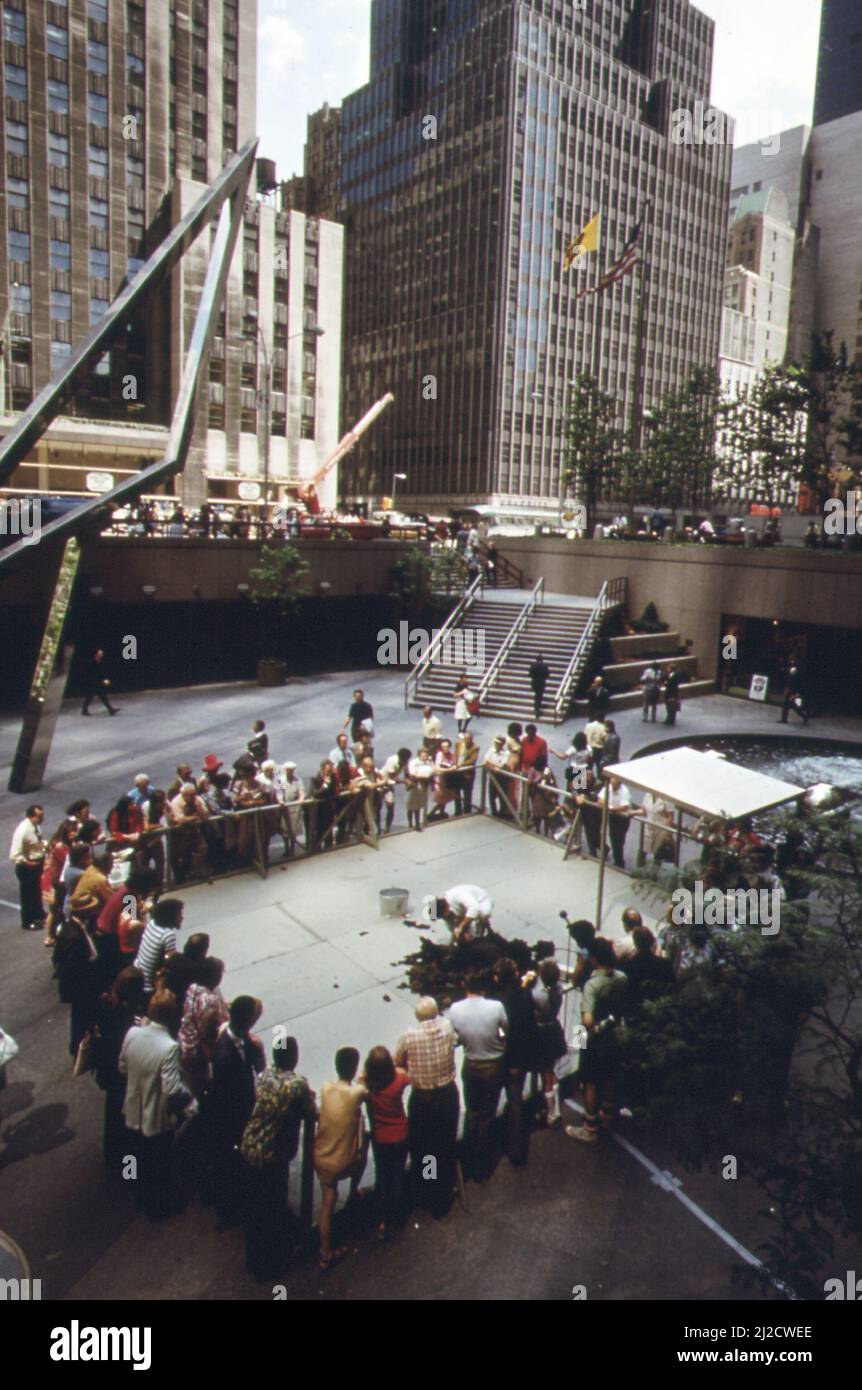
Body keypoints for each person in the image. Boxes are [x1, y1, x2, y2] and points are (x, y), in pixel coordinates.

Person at [240, 1034, 315, 1281]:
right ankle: (269, 1264)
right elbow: (310, 1110)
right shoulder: (296, 1084)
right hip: (272, 1155)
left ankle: (252, 1258)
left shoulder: (265, 1076)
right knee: (272, 1208)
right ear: (294, 1057)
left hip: (250, 1146)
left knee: (254, 1207)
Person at [120, 990, 194, 1218]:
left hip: (133, 1109)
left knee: (133, 1158)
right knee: (158, 1165)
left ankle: (136, 1192)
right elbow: (172, 1089)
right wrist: (189, 1098)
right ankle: (157, 1207)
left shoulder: (132, 1033)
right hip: (155, 1116)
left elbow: (122, 1067)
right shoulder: (169, 1047)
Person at [394, 998, 459, 1218]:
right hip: (447, 1095)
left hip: (423, 1099)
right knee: (444, 1144)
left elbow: (398, 1062)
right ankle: (442, 1190)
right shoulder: (448, 1027)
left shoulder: (409, 1036)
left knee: (425, 1148)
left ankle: (429, 1193)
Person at [204, 995, 266, 1227]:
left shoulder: (238, 1039)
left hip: (234, 1107)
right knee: (228, 1160)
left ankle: (227, 1201)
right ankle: (226, 1210)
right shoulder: (225, 1055)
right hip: (230, 1112)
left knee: (230, 1159)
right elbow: (230, 1089)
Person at [565, 938, 628, 1144]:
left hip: (594, 1038)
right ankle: (607, 1115)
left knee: (589, 1080)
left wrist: (579, 1040)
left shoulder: (592, 985)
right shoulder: (621, 977)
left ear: (593, 959)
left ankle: (590, 1127)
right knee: (610, 1075)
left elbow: (586, 1020)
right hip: (616, 1034)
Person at [313, 1047, 368, 1272]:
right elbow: (365, 1091)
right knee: (362, 1147)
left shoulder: (325, 1088)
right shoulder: (356, 1093)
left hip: (321, 1158)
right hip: (344, 1162)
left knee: (328, 1200)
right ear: (354, 1068)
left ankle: (325, 1253)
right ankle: (354, 1188)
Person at [449, 972, 508, 1181]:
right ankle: (483, 1163)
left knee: (472, 1112)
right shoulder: (496, 1007)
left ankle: (469, 1157)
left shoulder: (455, 1010)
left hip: (471, 1065)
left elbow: (453, 1037)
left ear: (465, 984)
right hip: (492, 1066)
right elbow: (506, 1031)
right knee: (487, 1114)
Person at [93, 965, 146, 1169]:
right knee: (127, 1118)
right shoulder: (128, 1015)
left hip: (108, 1067)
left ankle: (113, 1156)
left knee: (113, 1113)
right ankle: (128, 1169)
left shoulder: (105, 1001)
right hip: (123, 1071)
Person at [493, 957, 538, 1167]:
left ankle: (489, 1151)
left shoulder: (496, 1003)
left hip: (500, 1058)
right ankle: (517, 1149)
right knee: (515, 1100)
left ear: (496, 979)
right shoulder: (526, 995)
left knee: (491, 1104)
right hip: (520, 1056)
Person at [362, 1045, 410, 1240]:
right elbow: (405, 1074)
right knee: (398, 1175)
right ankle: (398, 1215)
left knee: (383, 1178)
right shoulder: (398, 1081)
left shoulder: (368, 1088)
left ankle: (382, 1219)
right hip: (400, 1134)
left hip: (381, 1138)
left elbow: (361, 1077)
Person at [178, 956, 229, 1098]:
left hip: (184, 1041)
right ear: (214, 977)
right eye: (220, 974)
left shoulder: (193, 987)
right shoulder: (210, 1001)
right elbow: (208, 1032)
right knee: (201, 1089)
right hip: (196, 1052)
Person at [529, 959, 567, 1125]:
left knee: (545, 1073)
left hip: (541, 1033)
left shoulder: (537, 995)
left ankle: (552, 1113)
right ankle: (556, 1108)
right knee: (550, 1071)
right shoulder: (558, 989)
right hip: (554, 1030)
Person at [134, 897, 184, 995]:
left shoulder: (151, 923)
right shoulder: (168, 935)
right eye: (180, 915)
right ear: (171, 917)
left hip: (138, 974)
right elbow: (170, 961)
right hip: (150, 986)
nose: (182, 918)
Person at [41, 818, 77, 948]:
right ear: (65, 831)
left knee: (58, 908)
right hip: (54, 882)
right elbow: (71, 859)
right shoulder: (60, 846)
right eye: (72, 831)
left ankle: (55, 933)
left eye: (75, 831)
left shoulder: (63, 843)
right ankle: (49, 936)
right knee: (54, 909)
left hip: (56, 880)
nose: (74, 834)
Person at [621, 927, 674, 1015]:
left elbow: (628, 994)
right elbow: (673, 988)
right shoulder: (665, 964)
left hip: (637, 1010)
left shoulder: (629, 966)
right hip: (662, 1009)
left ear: (635, 943)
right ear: (652, 942)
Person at [10, 804, 46, 932]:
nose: (42, 819)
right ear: (31, 816)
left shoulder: (35, 826)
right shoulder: (23, 830)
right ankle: (28, 921)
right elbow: (15, 854)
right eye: (39, 816)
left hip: (36, 864)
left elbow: (36, 842)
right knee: (27, 895)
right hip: (27, 867)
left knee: (36, 892)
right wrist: (28, 863)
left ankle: (39, 914)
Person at [272, 761, 305, 855]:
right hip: (284, 807)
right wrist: (280, 801)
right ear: (285, 770)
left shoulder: (297, 779)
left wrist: (301, 798)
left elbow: (301, 791)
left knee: (293, 830)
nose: (290, 772)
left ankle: (292, 848)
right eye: (288, 770)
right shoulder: (280, 779)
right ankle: (286, 848)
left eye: (292, 770)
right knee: (284, 829)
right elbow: (278, 793)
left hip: (294, 807)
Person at [379, 748, 411, 833]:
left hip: (390, 785)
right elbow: (392, 776)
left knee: (390, 807)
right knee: (377, 807)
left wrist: (408, 781)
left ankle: (387, 828)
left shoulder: (405, 761)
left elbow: (406, 773)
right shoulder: (392, 760)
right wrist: (404, 781)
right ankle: (377, 828)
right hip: (381, 782)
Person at [607, 775, 634, 869]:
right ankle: (616, 858)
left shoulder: (624, 791)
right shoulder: (577, 770)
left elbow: (624, 807)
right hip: (576, 774)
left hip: (621, 818)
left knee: (618, 838)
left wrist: (611, 808)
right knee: (613, 836)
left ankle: (619, 861)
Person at [81, 648, 119, 716]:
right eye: (100, 653)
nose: (101, 655)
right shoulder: (91, 662)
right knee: (90, 697)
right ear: (96, 654)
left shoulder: (100, 661)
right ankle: (84, 710)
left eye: (101, 653)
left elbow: (101, 672)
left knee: (101, 696)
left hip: (98, 683)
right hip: (92, 683)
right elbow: (90, 673)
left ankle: (110, 709)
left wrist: (104, 679)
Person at [427, 738, 457, 821]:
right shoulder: (439, 754)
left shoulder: (451, 754)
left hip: (448, 780)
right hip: (440, 780)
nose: (445, 748)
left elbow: (454, 764)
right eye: (443, 747)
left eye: (447, 746)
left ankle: (441, 813)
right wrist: (449, 770)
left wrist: (453, 767)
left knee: (445, 798)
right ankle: (430, 815)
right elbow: (437, 768)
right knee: (441, 800)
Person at [405, 747, 433, 831]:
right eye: (423, 755)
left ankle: (418, 823)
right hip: (415, 784)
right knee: (411, 805)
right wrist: (425, 775)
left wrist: (431, 762)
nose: (425, 757)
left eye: (426, 755)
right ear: (419, 755)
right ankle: (411, 823)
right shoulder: (413, 762)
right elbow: (413, 774)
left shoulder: (428, 762)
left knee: (420, 804)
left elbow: (433, 770)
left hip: (425, 784)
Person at [484, 734, 511, 818]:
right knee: (492, 796)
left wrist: (490, 762)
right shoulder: (491, 750)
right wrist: (494, 765)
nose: (496, 744)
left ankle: (502, 814)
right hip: (493, 776)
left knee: (502, 796)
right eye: (495, 742)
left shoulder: (506, 753)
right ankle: (494, 813)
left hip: (502, 778)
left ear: (502, 744)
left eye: (498, 743)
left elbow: (502, 766)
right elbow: (485, 762)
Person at [453, 731, 479, 816]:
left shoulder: (475, 747)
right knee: (456, 791)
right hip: (457, 772)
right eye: (466, 739)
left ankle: (467, 810)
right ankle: (458, 811)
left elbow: (472, 760)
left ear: (472, 739)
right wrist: (455, 763)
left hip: (467, 773)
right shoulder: (458, 743)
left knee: (467, 792)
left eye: (469, 739)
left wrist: (461, 765)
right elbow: (455, 754)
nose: (467, 740)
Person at [528, 654, 551, 720]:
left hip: (534, 682)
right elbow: (547, 675)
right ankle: (537, 711)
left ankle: (536, 707)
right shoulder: (544, 666)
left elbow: (530, 674)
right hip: (541, 682)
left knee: (536, 695)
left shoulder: (533, 665)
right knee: (539, 695)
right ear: (542, 659)